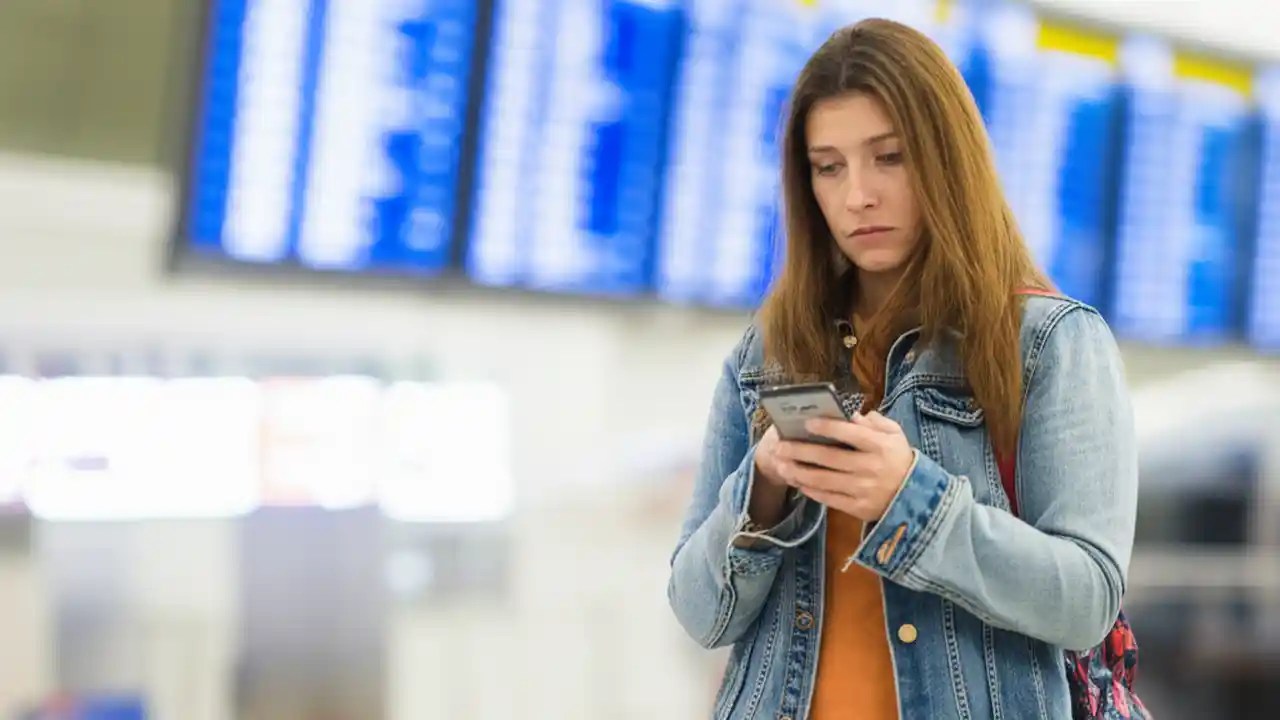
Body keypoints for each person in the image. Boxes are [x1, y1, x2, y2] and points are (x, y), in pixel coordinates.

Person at [666, 17, 1138, 720]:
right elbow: (700, 613)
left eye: (889, 158)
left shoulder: (1050, 342)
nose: (858, 195)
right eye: (829, 167)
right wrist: (762, 485)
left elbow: (1086, 600)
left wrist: (912, 502)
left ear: (947, 160)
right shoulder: (766, 352)